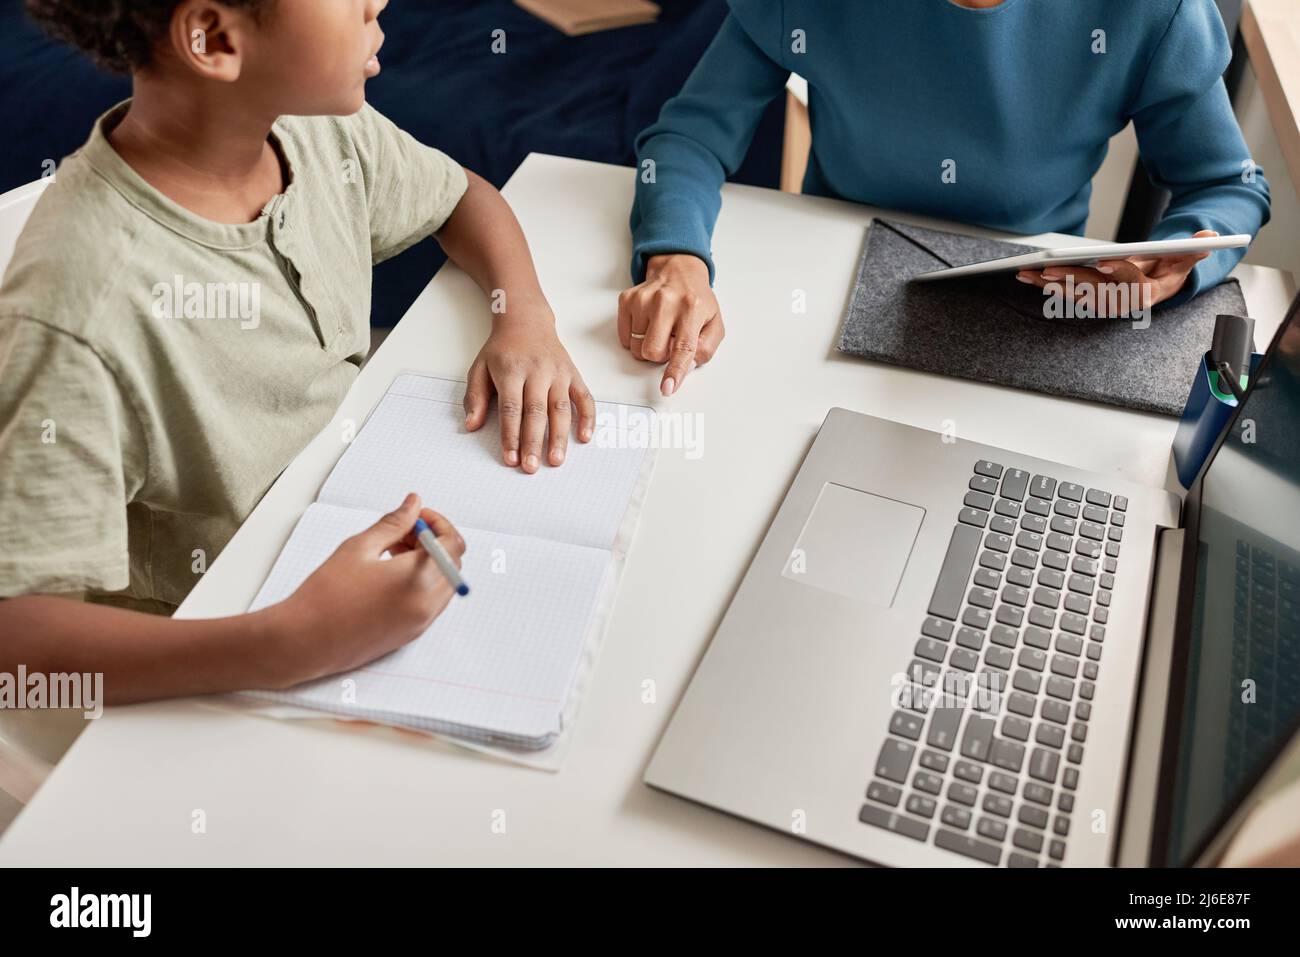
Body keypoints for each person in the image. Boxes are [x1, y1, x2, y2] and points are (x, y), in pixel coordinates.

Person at [0, 0, 592, 702]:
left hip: (341, 536)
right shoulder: (79, 313)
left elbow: (461, 196)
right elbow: (21, 653)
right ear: (215, 38)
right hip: (212, 652)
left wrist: (520, 313)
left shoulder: (313, 134)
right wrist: (292, 642)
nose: (379, 1)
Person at [620, 0, 1272, 395]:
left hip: (1031, 318)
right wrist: (677, 255)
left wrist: (1172, 263)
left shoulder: (1149, 13)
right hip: (819, 300)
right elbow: (689, 136)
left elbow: (1226, 186)